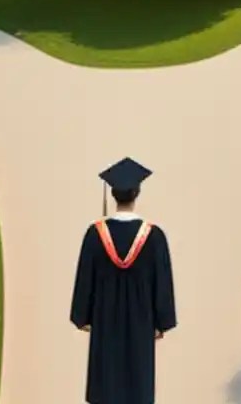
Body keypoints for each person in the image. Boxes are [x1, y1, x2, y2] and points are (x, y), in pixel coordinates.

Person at [70, 157, 177, 404]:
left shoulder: (96, 234)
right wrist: (161, 321)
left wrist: (83, 316)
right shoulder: (154, 237)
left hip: (105, 320)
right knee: (136, 384)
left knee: (107, 383)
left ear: (113, 195)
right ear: (137, 192)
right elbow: (162, 283)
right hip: (141, 322)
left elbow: (85, 278)